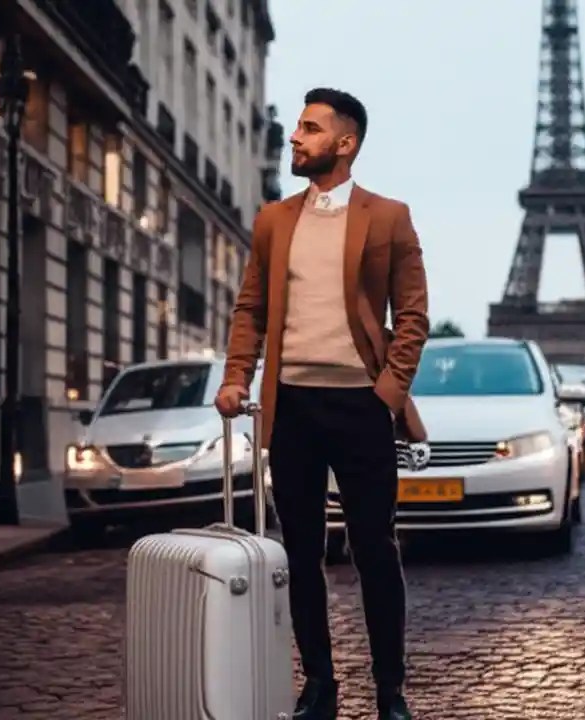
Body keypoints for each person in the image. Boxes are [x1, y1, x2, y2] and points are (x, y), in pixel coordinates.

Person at [215, 87, 429, 720]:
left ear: (345, 143)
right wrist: (236, 378)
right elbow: (250, 309)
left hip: (360, 406)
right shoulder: (274, 220)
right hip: (295, 410)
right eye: (296, 128)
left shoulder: (388, 216)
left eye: (308, 129)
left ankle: (391, 689)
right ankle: (321, 686)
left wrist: (386, 393)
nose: (294, 137)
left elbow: (412, 315)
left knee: (374, 547)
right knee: (301, 551)